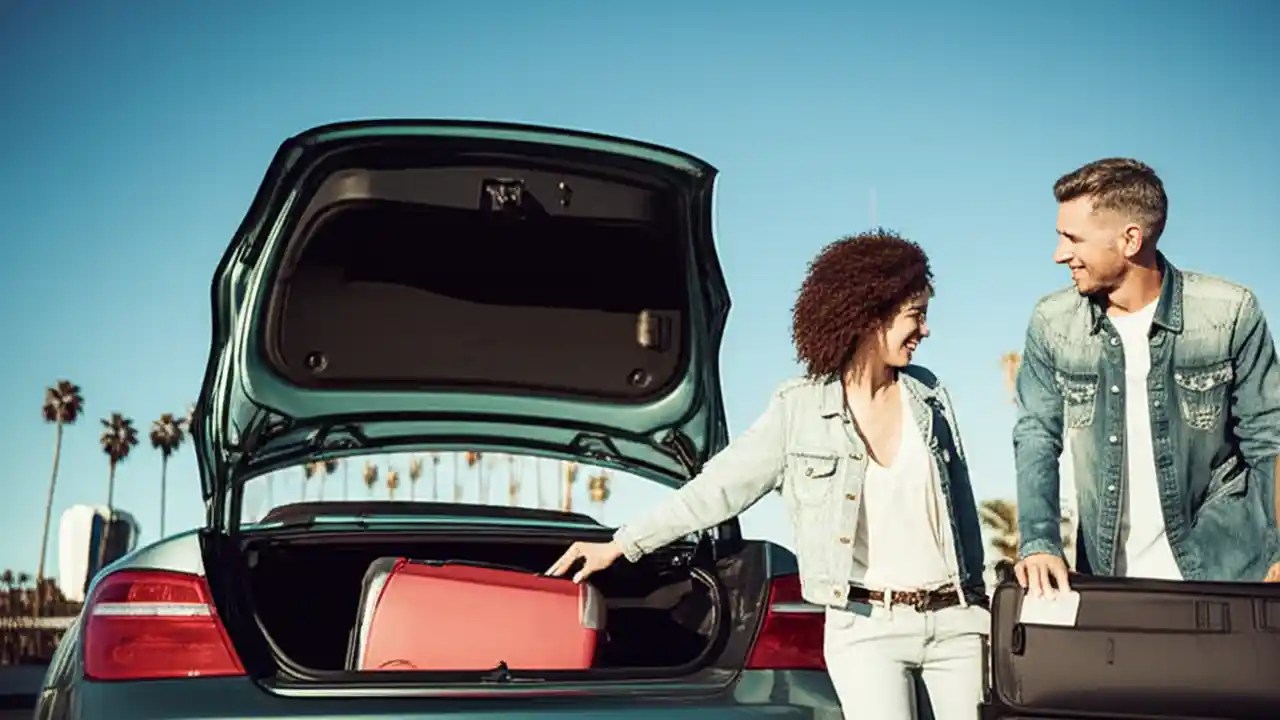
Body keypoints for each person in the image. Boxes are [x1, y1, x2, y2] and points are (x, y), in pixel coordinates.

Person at [547, 230, 990, 720]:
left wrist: (981, 605)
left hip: (956, 625)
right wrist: (620, 543)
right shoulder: (798, 410)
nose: (925, 330)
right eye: (916, 315)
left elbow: (963, 510)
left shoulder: (929, 397)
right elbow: (716, 491)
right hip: (866, 629)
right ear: (871, 313)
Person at [1012, 157, 1280, 596]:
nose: (1060, 254)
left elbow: (1270, 440)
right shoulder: (1053, 322)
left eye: (1072, 239)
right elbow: (1037, 436)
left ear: (1130, 239)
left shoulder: (1228, 312)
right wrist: (1039, 543)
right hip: (1109, 583)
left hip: (1225, 575)